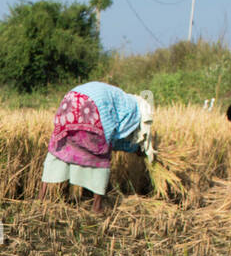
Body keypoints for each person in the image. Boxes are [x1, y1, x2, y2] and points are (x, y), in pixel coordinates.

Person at [41, 81, 153, 214]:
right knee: (101, 154)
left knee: (59, 147)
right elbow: (115, 137)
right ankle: (97, 206)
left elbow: (118, 136)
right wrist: (138, 149)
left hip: (69, 102)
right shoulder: (132, 109)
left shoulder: (120, 98)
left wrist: (133, 149)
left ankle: (40, 198)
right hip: (91, 108)